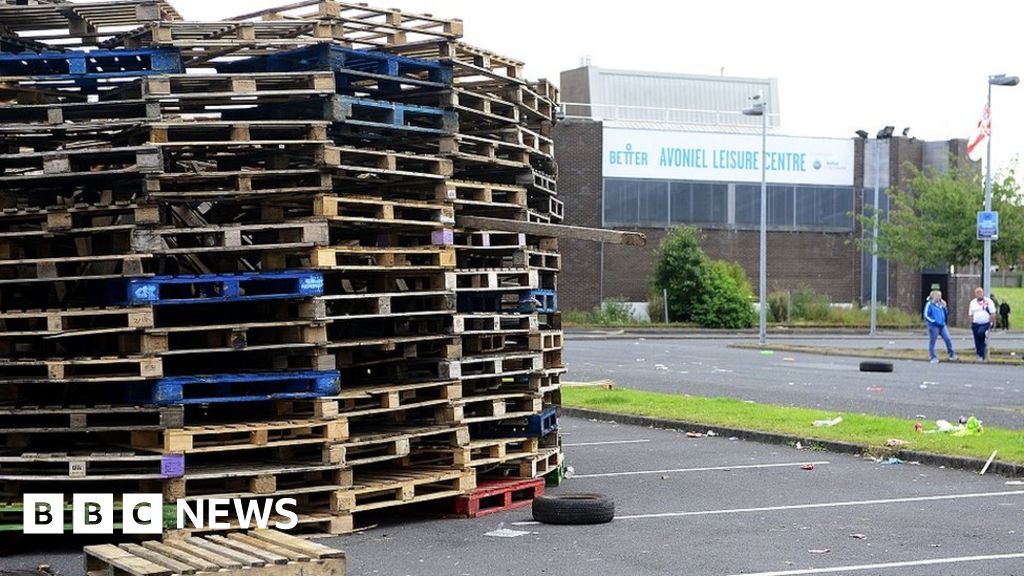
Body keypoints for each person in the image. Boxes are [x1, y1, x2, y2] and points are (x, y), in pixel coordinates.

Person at [923, 290, 957, 363]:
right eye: (938, 296)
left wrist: (945, 307)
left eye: (940, 296)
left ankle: (951, 354)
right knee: (933, 341)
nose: (939, 297)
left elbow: (946, 314)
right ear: (933, 296)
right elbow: (926, 315)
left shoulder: (941, 304)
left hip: (942, 325)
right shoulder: (929, 304)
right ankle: (933, 357)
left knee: (948, 339)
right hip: (933, 326)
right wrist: (933, 321)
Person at [968, 287, 996, 361]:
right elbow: (970, 314)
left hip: (985, 323)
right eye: (977, 292)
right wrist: (972, 321)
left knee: (981, 333)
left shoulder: (988, 301)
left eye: (980, 292)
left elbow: (993, 313)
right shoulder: (972, 302)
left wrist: (991, 321)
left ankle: (982, 352)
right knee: (977, 340)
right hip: (976, 323)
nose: (979, 294)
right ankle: (980, 355)